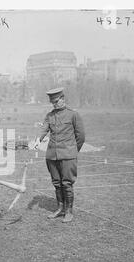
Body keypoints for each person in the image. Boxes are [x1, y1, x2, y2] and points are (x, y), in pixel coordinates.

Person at [33, 88, 85, 223]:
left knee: (67, 183)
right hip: (52, 156)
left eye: (56, 101)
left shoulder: (73, 115)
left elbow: (81, 137)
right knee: (57, 183)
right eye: (52, 102)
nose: (54, 104)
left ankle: (69, 211)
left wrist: (72, 151)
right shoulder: (50, 116)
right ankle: (60, 208)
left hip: (68, 156)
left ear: (63, 98)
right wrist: (38, 139)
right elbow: (44, 128)